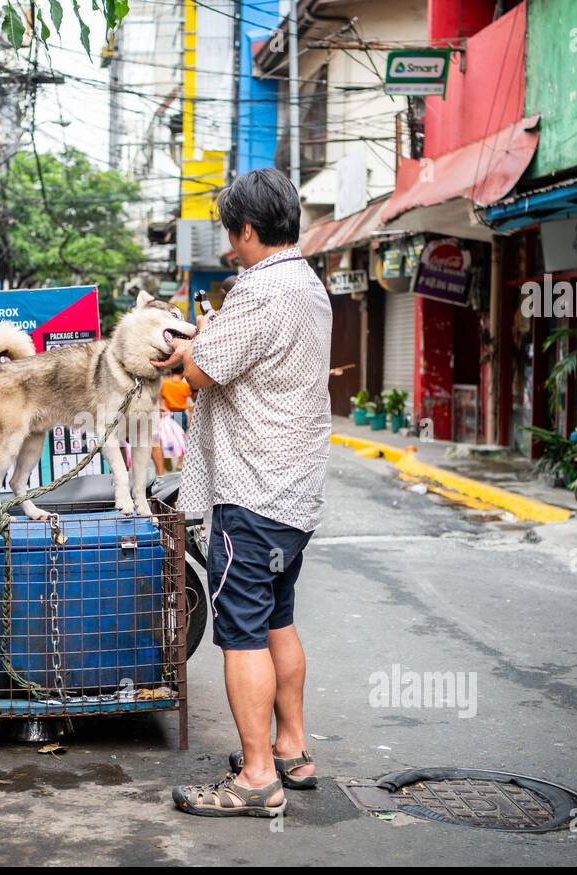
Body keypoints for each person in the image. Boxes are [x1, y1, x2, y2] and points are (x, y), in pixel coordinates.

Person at [152, 167, 332, 818]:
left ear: (248, 230)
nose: (230, 246)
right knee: (278, 619)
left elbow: (200, 370)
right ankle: (292, 749)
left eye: (231, 234)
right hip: (295, 494)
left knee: (243, 635)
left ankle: (258, 778)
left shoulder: (260, 291)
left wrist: (185, 347)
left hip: (252, 493)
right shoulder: (309, 285)